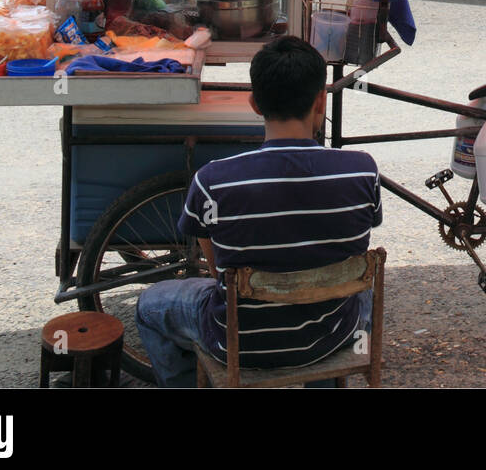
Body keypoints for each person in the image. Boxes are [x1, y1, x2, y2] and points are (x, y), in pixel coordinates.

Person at [135, 36, 381, 388]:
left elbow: (218, 266)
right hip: (331, 336)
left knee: (150, 305)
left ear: (253, 103)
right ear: (320, 102)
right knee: (357, 288)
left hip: (236, 343)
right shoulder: (362, 172)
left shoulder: (213, 181)